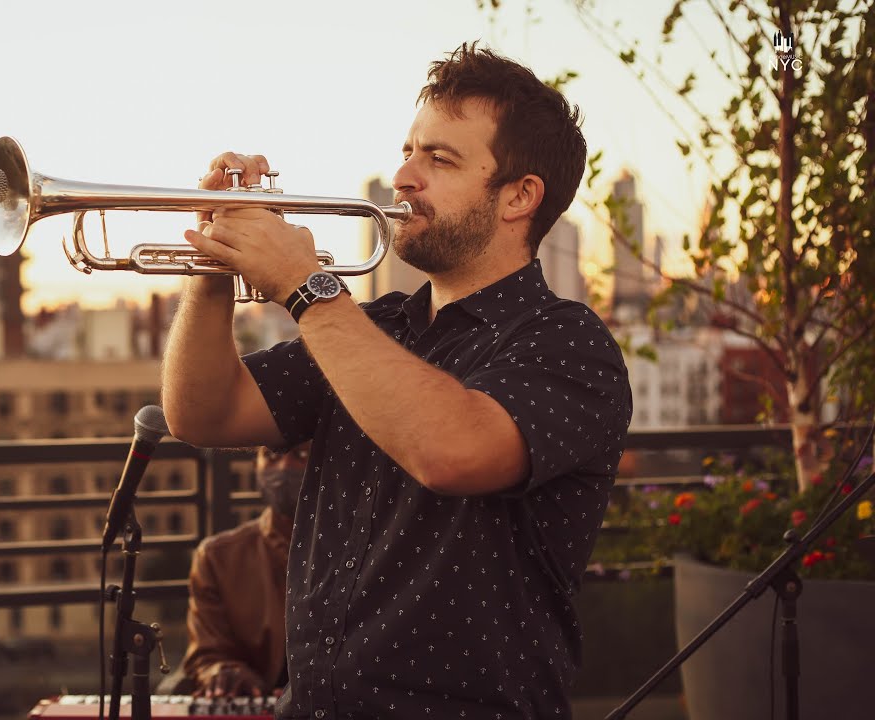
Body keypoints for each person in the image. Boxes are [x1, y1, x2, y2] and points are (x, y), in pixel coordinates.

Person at [162, 42, 632, 720]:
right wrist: (215, 258)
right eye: (408, 151)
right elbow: (203, 414)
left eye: (439, 159)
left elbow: (452, 450)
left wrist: (306, 287)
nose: (403, 176)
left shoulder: (568, 344)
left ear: (519, 196)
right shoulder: (370, 325)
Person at [175, 441, 311, 698]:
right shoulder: (217, 557)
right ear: (255, 466)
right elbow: (207, 654)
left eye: (301, 455)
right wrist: (223, 672)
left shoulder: (364, 549)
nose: (283, 467)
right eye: (270, 456)